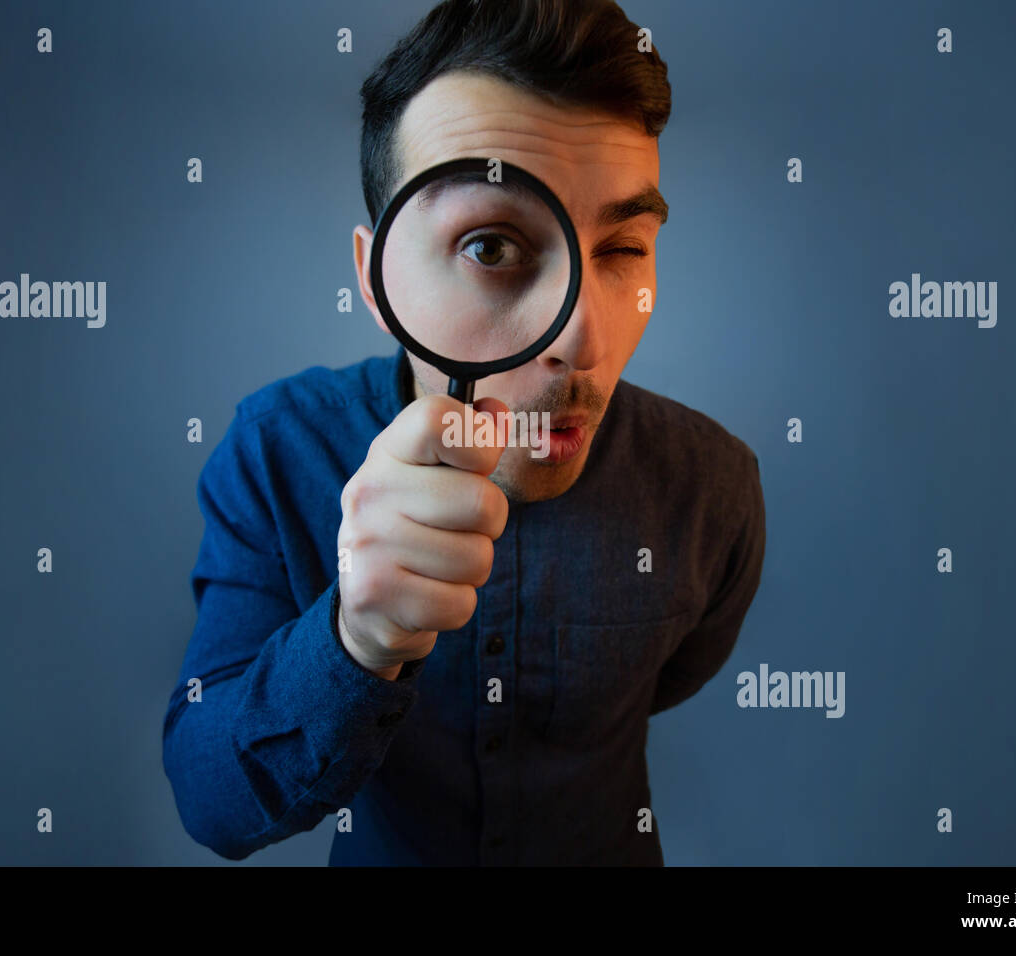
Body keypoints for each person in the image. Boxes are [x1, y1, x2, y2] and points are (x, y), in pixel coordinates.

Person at [162, 0, 766, 866]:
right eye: (491, 246)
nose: (579, 342)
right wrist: (352, 643)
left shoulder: (714, 488)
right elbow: (208, 798)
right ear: (375, 281)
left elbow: (672, 680)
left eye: (623, 248)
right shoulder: (277, 452)